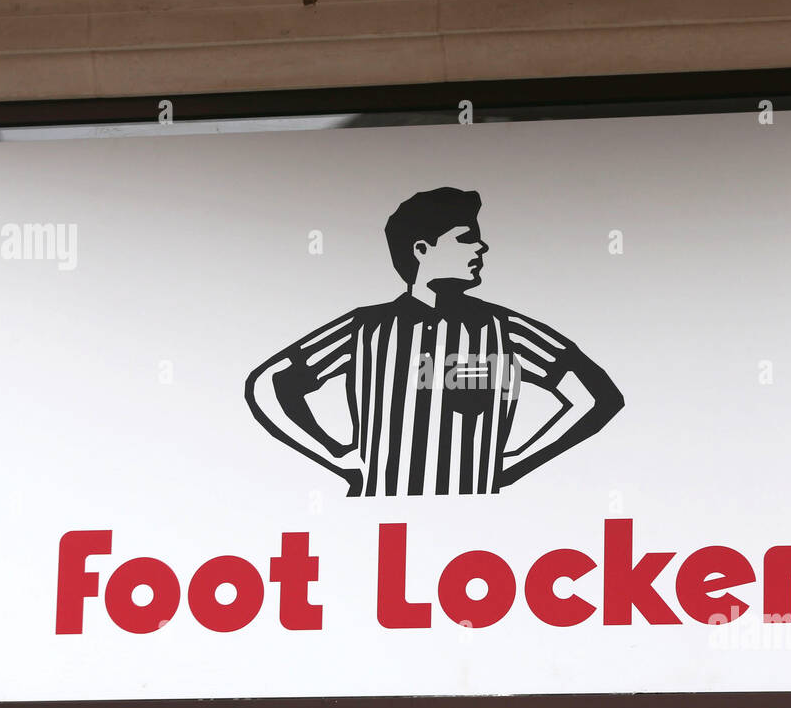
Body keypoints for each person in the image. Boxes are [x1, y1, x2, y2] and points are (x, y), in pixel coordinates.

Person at [246, 187, 623, 496]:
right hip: (374, 526)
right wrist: (337, 457)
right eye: (466, 239)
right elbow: (268, 384)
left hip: (476, 531)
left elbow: (598, 396)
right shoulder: (365, 328)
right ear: (421, 249)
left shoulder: (504, 329)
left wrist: (516, 463)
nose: (482, 248)